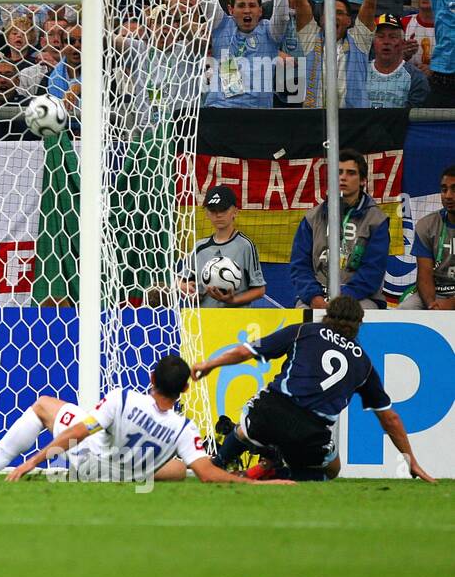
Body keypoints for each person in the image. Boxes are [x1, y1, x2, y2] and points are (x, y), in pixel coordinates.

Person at [193, 295, 436, 482]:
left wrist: (210, 364)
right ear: (359, 325)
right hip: (310, 435)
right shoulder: (363, 364)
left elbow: (244, 351)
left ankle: (220, 462)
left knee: (245, 430)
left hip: (269, 415)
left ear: (328, 315)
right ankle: (282, 475)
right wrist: (410, 460)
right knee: (333, 469)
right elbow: (390, 418)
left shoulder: (304, 331)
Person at [0, 354, 290, 484]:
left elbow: (77, 433)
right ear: (185, 389)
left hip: (85, 464)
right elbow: (206, 473)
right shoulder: (183, 428)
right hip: (123, 476)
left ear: (151, 378)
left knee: (44, 405)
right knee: (179, 468)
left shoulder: (123, 398)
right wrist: (256, 483)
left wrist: (33, 461)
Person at [289, 148, 391, 310]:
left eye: (351, 173)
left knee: (363, 312)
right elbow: (300, 265)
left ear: (363, 180)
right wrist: (315, 297)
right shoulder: (311, 218)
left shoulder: (377, 220)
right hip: (317, 298)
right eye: (339, 172)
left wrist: (342, 298)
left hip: (359, 298)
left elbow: (372, 271)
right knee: (302, 314)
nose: (343, 177)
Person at [181, 185, 280, 307]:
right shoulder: (199, 247)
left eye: (223, 210)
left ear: (235, 212)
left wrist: (232, 301)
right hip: (204, 319)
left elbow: (259, 290)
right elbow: (181, 280)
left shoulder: (245, 246)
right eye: (213, 210)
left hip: (236, 320)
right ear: (206, 214)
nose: (218, 215)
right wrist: (185, 288)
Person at [398, 164, 455, 310]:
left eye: (454, 189)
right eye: (444, 189)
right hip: (436, 294)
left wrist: (449, 305)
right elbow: (424, 276)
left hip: (451, 300)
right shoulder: (427, 224)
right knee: (406, 309)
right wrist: (432, 305)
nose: (448, 195)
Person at [364, 13, 429, 107]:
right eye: (381, 36)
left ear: (402, 42)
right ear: (373, 42)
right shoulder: (361, 72)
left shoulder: (416, 78)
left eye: (393, 37)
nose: (386, 42)